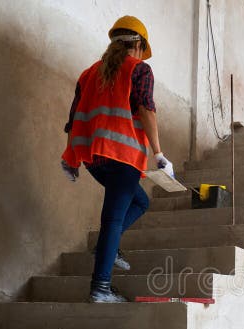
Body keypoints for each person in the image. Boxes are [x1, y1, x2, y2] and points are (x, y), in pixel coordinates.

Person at [61, 16, 174, 303]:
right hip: (123, 157)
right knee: (112, 219)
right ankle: (100, 287)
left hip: (94, 159)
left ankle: (105, 248)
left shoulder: (88, 74)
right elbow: (146, 110)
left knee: (141, 202)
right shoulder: (139, 69)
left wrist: (70, 156)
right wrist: (159, 154)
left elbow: (73, 119)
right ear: (139, 45)